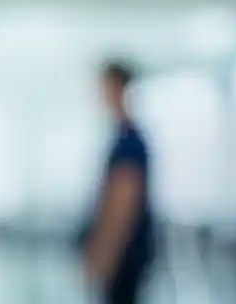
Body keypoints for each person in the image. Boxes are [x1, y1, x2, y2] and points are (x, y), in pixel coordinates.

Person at [80, 58, 155, 304]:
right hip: (126, 251)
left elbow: (124, 201)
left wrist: (105, 254)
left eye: (103, 86)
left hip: (125, 254)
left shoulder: (129, 141)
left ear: (118, 87)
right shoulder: (123, 137)